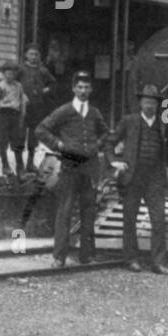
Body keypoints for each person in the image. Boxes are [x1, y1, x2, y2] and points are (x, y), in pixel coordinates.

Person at [37, 70, 109, 268]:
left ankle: (86, 255)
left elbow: (105, 133)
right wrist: (58, 145)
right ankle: (59, 257)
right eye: (80, 87)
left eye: (86, 87)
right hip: (70, 168)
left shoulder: (94, 113)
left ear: (91, 89)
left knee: (88, 212)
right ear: (73, 88)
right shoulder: (64, 110)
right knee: (65, 211)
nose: (83, 91)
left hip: (90, 169)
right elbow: (41, 129)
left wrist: (98, 145)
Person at [106, 84, 168, 275]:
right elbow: (110, 142)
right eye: (146, 101)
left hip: (155, 179)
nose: (149, 105)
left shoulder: (163, 125)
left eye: (153, 102)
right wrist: (115, 161)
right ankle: (131, 259)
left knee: (159, 220)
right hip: (133, 177)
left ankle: (158, 262)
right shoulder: (129, 121)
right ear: (140, 103)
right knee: (129, 219)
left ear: (157, 105)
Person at [17, 44, 57, 173]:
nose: (34, 57)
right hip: (22, 107)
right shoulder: (20, 69)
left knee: (33, 137)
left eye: (36, 54)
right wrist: (21, 94)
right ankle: (19, 165)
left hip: (37, 107)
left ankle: (30, 163)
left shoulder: (42, 70)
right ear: (26, 55)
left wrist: (44, 90)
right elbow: (13, 83)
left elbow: (53, 83)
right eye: (31, 54)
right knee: (20, 135)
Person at [0, 59, 27, 181]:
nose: (10, 75)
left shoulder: (19, 86)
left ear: (16, 74)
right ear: (3, 73)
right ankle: (5, 165)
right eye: (7, 73)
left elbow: (22, 102)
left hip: (15, 115)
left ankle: (20, 167)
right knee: (3, 141)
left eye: (12, 73)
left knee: (17, 142)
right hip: (3, 115)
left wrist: (22, 116)